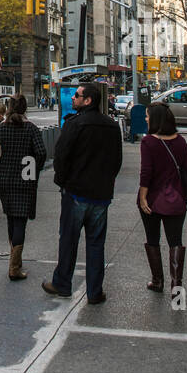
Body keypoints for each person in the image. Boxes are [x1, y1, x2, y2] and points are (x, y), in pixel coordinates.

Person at [42, 82, 123, 305]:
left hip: (76, 193)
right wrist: (107, 182)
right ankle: (95, 291)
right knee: (96, 244)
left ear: (87, 101)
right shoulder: (111, 126)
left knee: (69, 240)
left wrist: (63, 182)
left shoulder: (74, 124)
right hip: (101, 194)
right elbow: (116, 161)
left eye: (77, 95)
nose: (73, 98)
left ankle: (62, 283)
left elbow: (61, 156)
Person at [138, 102, 187, 295]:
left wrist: (142, 196)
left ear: (155, 119)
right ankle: (176, 287)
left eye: (147, 116)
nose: (146, 119)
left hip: (153, 197)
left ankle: (157, 281)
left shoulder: (148, 142)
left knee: (152, 238)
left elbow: (146, 172)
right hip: (176, 198)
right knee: (175, 240)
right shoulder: (180, 141)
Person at [0, 95, 46, 280]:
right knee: (20, 220)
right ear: (24, 108)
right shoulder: (31, 128)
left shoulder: (0, 129)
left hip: (4, 179)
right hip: (25, 178)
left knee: (11, 218)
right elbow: (41, 153)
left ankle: (15, 260)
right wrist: (32, 169)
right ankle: (14, 267)